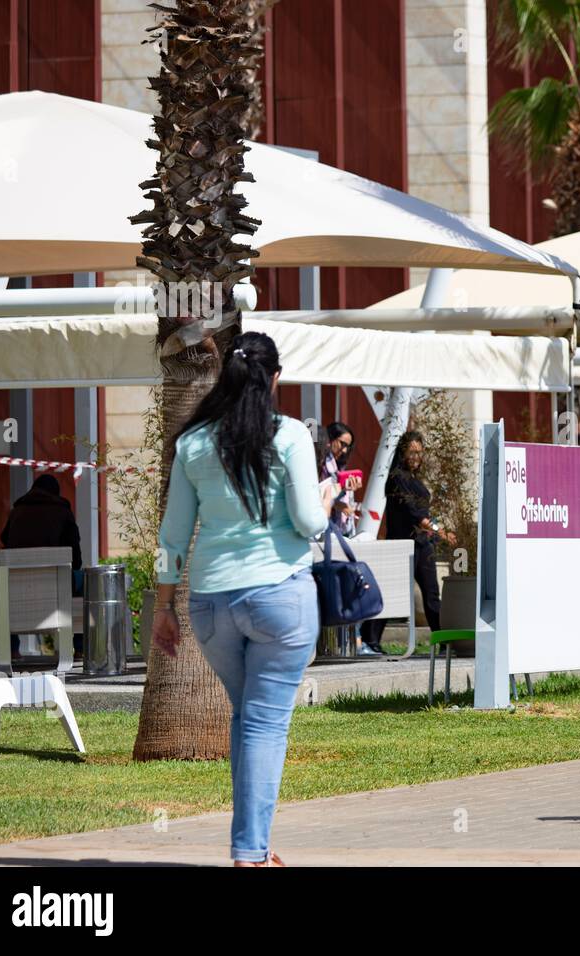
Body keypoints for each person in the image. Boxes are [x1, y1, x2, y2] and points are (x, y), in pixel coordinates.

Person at [153, 331, 337, 868]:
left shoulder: (193, 443)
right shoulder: (290, 436)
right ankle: (249, 852)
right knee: (262, 723)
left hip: (211, 604)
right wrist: (326, 500)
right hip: (280, 597)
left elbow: (172, 535)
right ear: (274, 378)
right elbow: (307, 522)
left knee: (247, 717)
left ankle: (253, 845)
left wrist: (163, 608)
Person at [2, 473, 86, 656]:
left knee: (4, 588)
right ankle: (79, 647)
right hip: (57, 591)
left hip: (16, 593)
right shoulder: (63, 512)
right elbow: (77, 561)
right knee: (87, 581)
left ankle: (11, 649)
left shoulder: (16, 512)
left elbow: (5, 543)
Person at [384, 430, 456, 642]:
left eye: (419, 452)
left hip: (423, 543)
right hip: (404, 545)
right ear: (402, 452)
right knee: (393, 592)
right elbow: (414, 513)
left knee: (432, 594)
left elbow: (423, 513)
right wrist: (440, 531)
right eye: (411, 452)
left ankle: (442, 639)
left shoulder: (414, 478)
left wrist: (434, 530)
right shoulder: (397, 479)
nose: (416, 457)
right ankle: (370, 639)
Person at [319, 421, 363, 537]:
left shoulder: (339, 468)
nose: (344, 450)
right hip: (323, 530)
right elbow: (317, 496)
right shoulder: (320, 465)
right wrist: (338, 504)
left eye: (347, 447)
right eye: (342, 444)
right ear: (330, 438)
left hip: (339, 530)